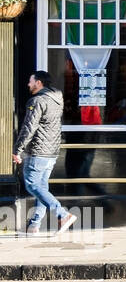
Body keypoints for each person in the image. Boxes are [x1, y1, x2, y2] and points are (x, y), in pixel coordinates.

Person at [13, 71, 76, 236]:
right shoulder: (57, 99)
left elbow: (29, 127)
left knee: (32, 185)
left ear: (39, 83)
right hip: (52, 151)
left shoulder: (37, 100)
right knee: (41, 187)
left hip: (38, 151)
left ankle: (63, 214)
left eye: (30, 81)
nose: (28, 84)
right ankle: (34, 225)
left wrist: (17, 150)